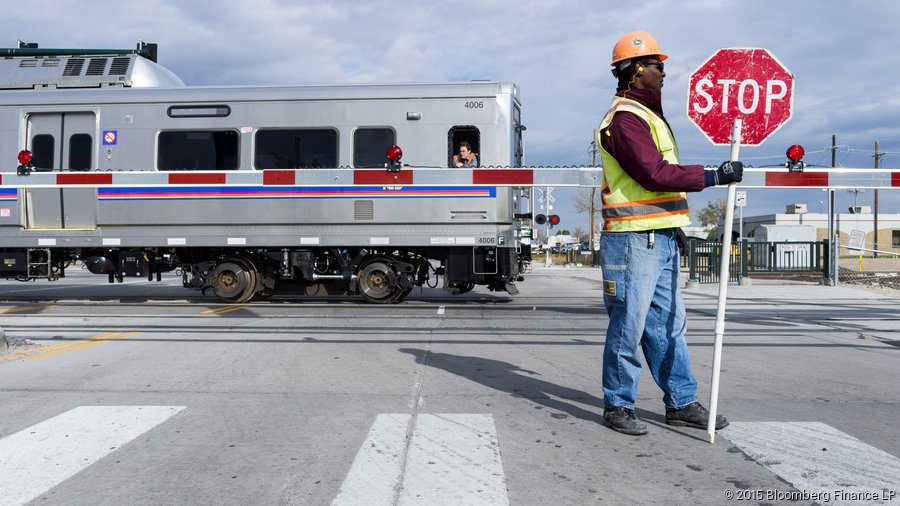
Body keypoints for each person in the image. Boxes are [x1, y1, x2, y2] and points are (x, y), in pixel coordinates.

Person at [597, 31, 743, 436]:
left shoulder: (648, 116)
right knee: (630, 324)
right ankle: (618, 404)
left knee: (669, 325)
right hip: (631, 240)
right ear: (636, 70)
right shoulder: (625, 119)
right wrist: (713, 175)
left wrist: (672, 226)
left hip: (657, 235)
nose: (665, 72)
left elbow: (658, 184)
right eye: (658, 65)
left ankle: (680, 401)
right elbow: (653, 174)